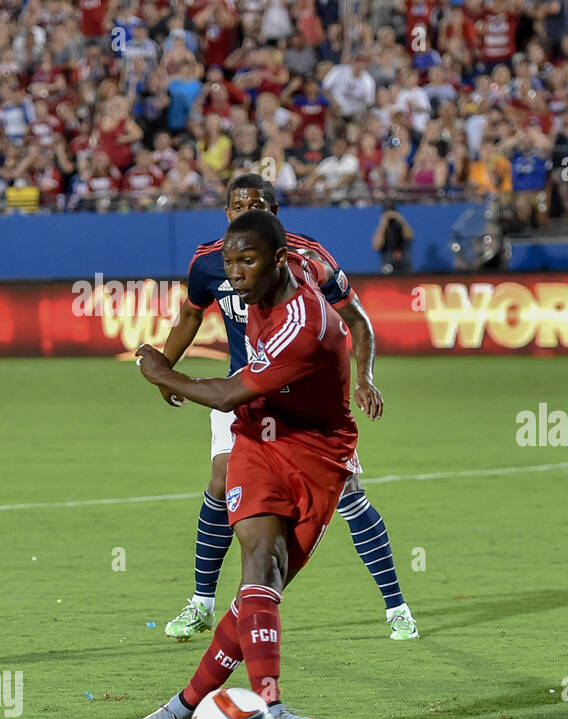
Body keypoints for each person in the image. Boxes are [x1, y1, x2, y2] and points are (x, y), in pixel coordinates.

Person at [119, 211, 357, 719]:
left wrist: (163, 372)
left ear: (277, 259)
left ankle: (178, 708)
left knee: (259, 593)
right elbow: (236, 403)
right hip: (256, 443)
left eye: (246, 261)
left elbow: (228, 394)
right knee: (258, 565)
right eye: (230, 262)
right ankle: (272, 710)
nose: (235, 274)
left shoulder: (304, 323)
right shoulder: (276, 272)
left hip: (319, 456)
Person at [161, 174, 420, 643]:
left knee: (350, 493)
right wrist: (169, 361)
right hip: (243, 391)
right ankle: (201, 603)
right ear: (226, 214)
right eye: (237, 205)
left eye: (256, 204)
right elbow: (191, 315)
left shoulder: (307, 259)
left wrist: (364, 377)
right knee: (221, 480)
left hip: (304, 397)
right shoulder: (210, 262)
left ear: (274, 214)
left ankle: (396, 606)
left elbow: (356, 319)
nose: (245, 211)